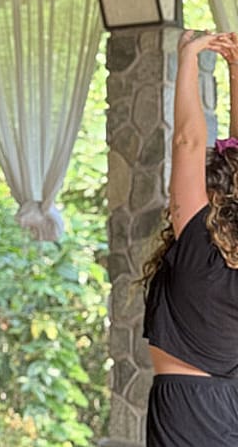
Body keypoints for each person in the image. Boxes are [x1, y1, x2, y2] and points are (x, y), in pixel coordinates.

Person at [142, 29, 238, 445]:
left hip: (189, 409)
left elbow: (186, 141)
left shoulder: (200, 249)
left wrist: (187, 58)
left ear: (212, 195)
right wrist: (235, 70)